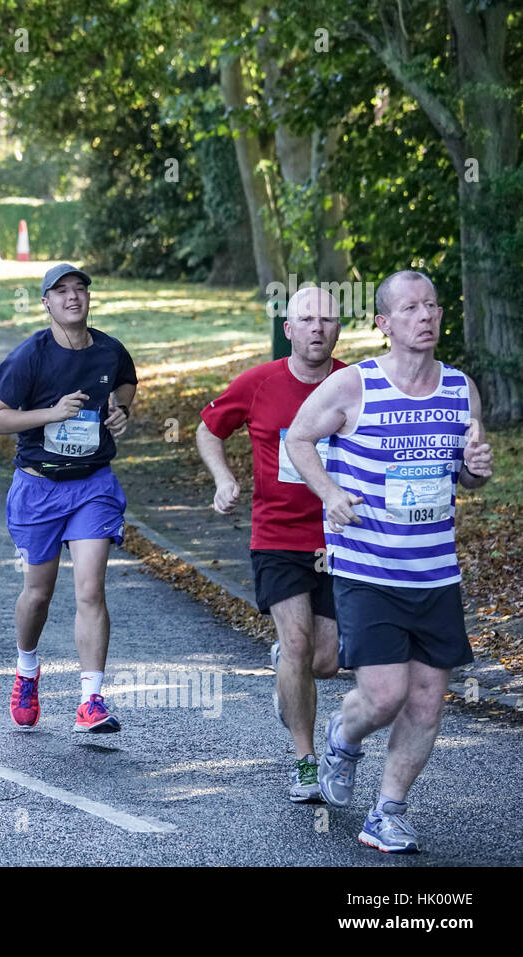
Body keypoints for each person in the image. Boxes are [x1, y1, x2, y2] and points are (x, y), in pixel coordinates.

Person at [285, 270, 493, 854]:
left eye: (432, 305)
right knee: (383, 695)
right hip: (368, 570)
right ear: (384, 324)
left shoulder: (461, 389)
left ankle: (389, 810)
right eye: (410, 308)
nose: (425, 315)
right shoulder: (354, 387)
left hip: (435, 573)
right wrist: (328, 493)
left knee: (426, 699)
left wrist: (478, 468)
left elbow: (469, 478)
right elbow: (298, 438)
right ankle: (344, 738)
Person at [196, 285, 345, 803]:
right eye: (306, 319)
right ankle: (306, 761)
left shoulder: (354, 385)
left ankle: (289, 666)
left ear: (339, 328)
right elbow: (209, 428)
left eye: (327, 320)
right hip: (278, 537)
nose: (317, 329)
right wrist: (222, 479)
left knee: (323, 661)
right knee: (301, 644)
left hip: (339, 539)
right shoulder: (260, 383)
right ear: (288, 330)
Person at [0, 263, 137, 733]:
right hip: (38, 486)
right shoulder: (31, 355)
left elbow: (127, 382)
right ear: (46, 302)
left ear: (89, 299)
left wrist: (121, 411)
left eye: (80, 290)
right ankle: (27, 669)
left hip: (92, 486)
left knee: (90, 589)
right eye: (61, 291)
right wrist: (51, 413)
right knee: (38, 593)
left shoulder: (109, 350)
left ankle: (90, 699)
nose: (73, 298)